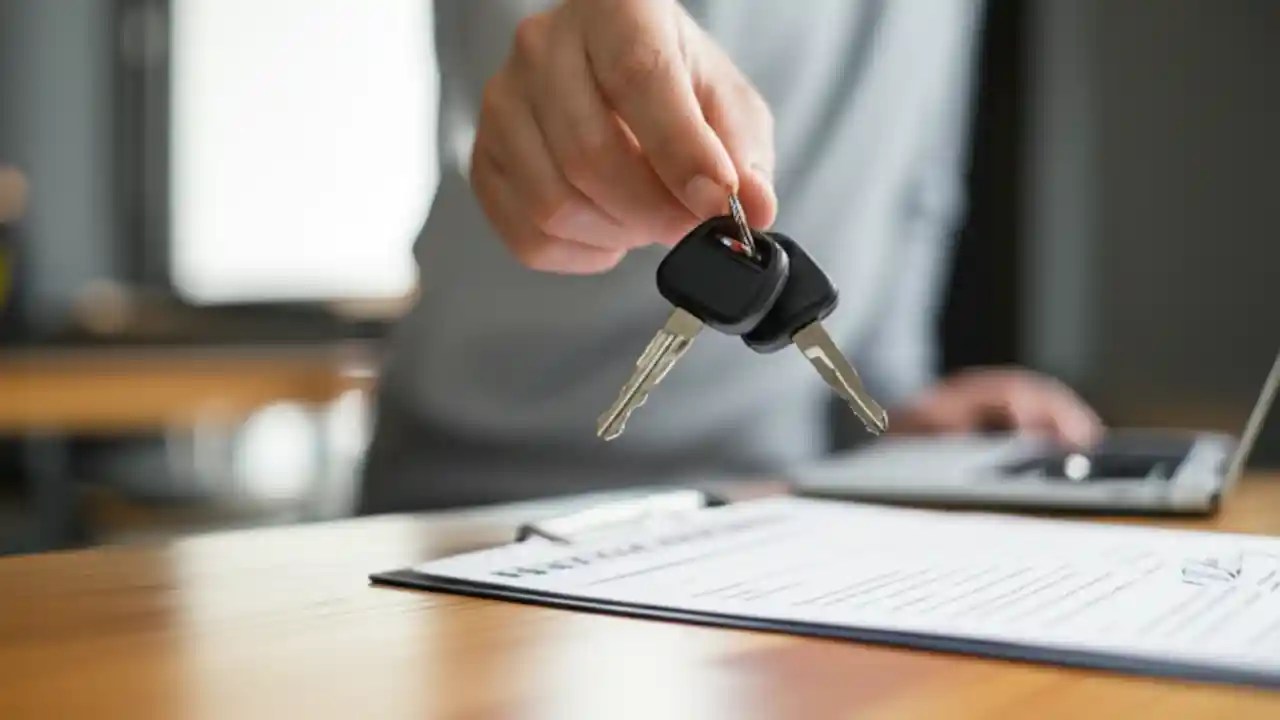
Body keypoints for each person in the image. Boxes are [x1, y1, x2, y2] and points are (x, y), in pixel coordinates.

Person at [359, 0, 1101, 513]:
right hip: (483, 484)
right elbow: (516, 58)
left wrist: (894, 404)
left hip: (770, 500)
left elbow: (913, 188)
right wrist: (566, 70)